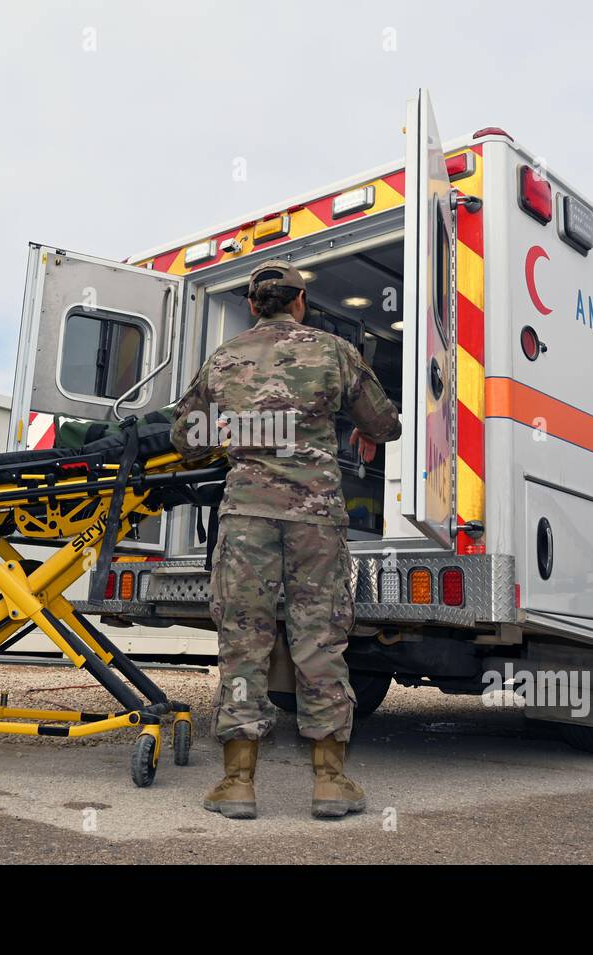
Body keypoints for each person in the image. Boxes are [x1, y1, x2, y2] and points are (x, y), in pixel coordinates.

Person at [170, 258, 401, 819]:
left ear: (253, 304)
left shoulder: (225, 357)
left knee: (244, 642)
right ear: (300, 302)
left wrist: (232, 433)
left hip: (247, 516)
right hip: (316, 520)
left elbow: (185, 439)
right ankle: (329, 781)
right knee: (319, 641)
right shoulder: (333, 351)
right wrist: (359, 431)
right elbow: (386, 423)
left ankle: (238, 783)